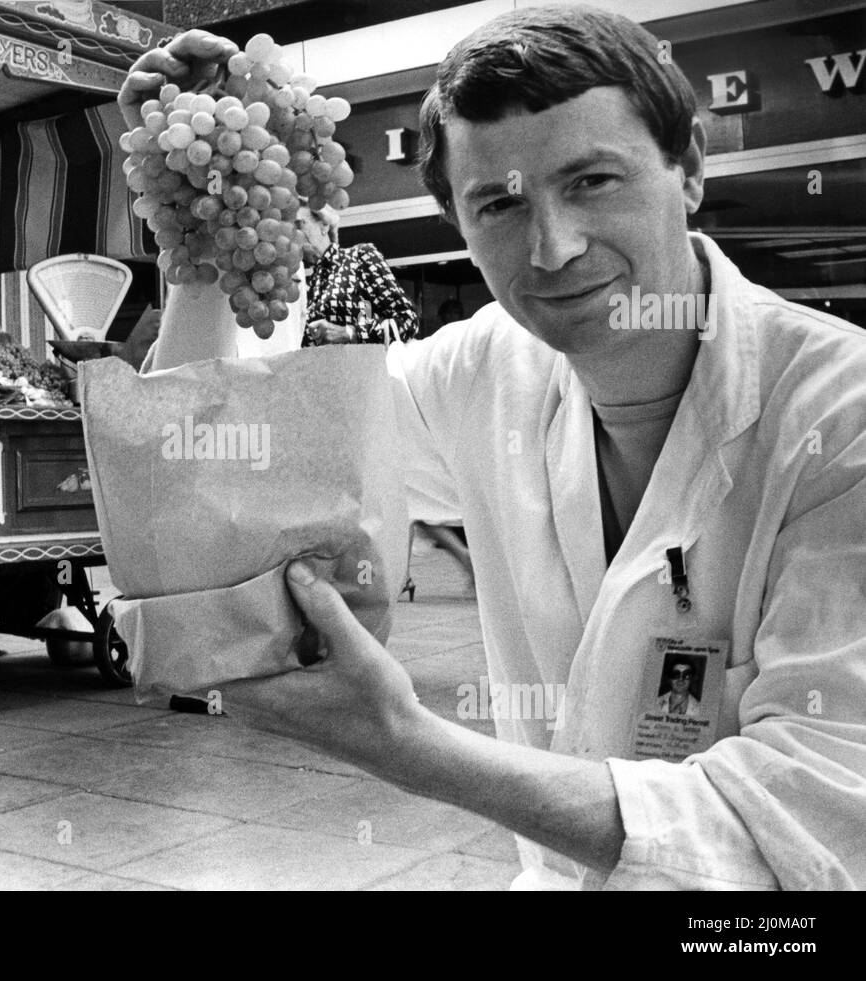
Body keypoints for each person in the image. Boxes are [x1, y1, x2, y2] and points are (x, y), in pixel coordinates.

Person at [118, 6, 866, 889]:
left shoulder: (837, 415)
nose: (554, 247)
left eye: (592, 181)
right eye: (501, 202)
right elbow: (215, 474)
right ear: (457, 224)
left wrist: (408, 742)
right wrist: (199, 249)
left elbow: (809, 819)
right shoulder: (483, 371)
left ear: (690, 169)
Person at [299, 206, 420, 347]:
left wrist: (350, 333)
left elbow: (408, 320)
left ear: (324, 225)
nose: (293, 234)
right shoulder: (308, 283)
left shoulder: (358, 257)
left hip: (363, 367)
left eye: (299, 224)